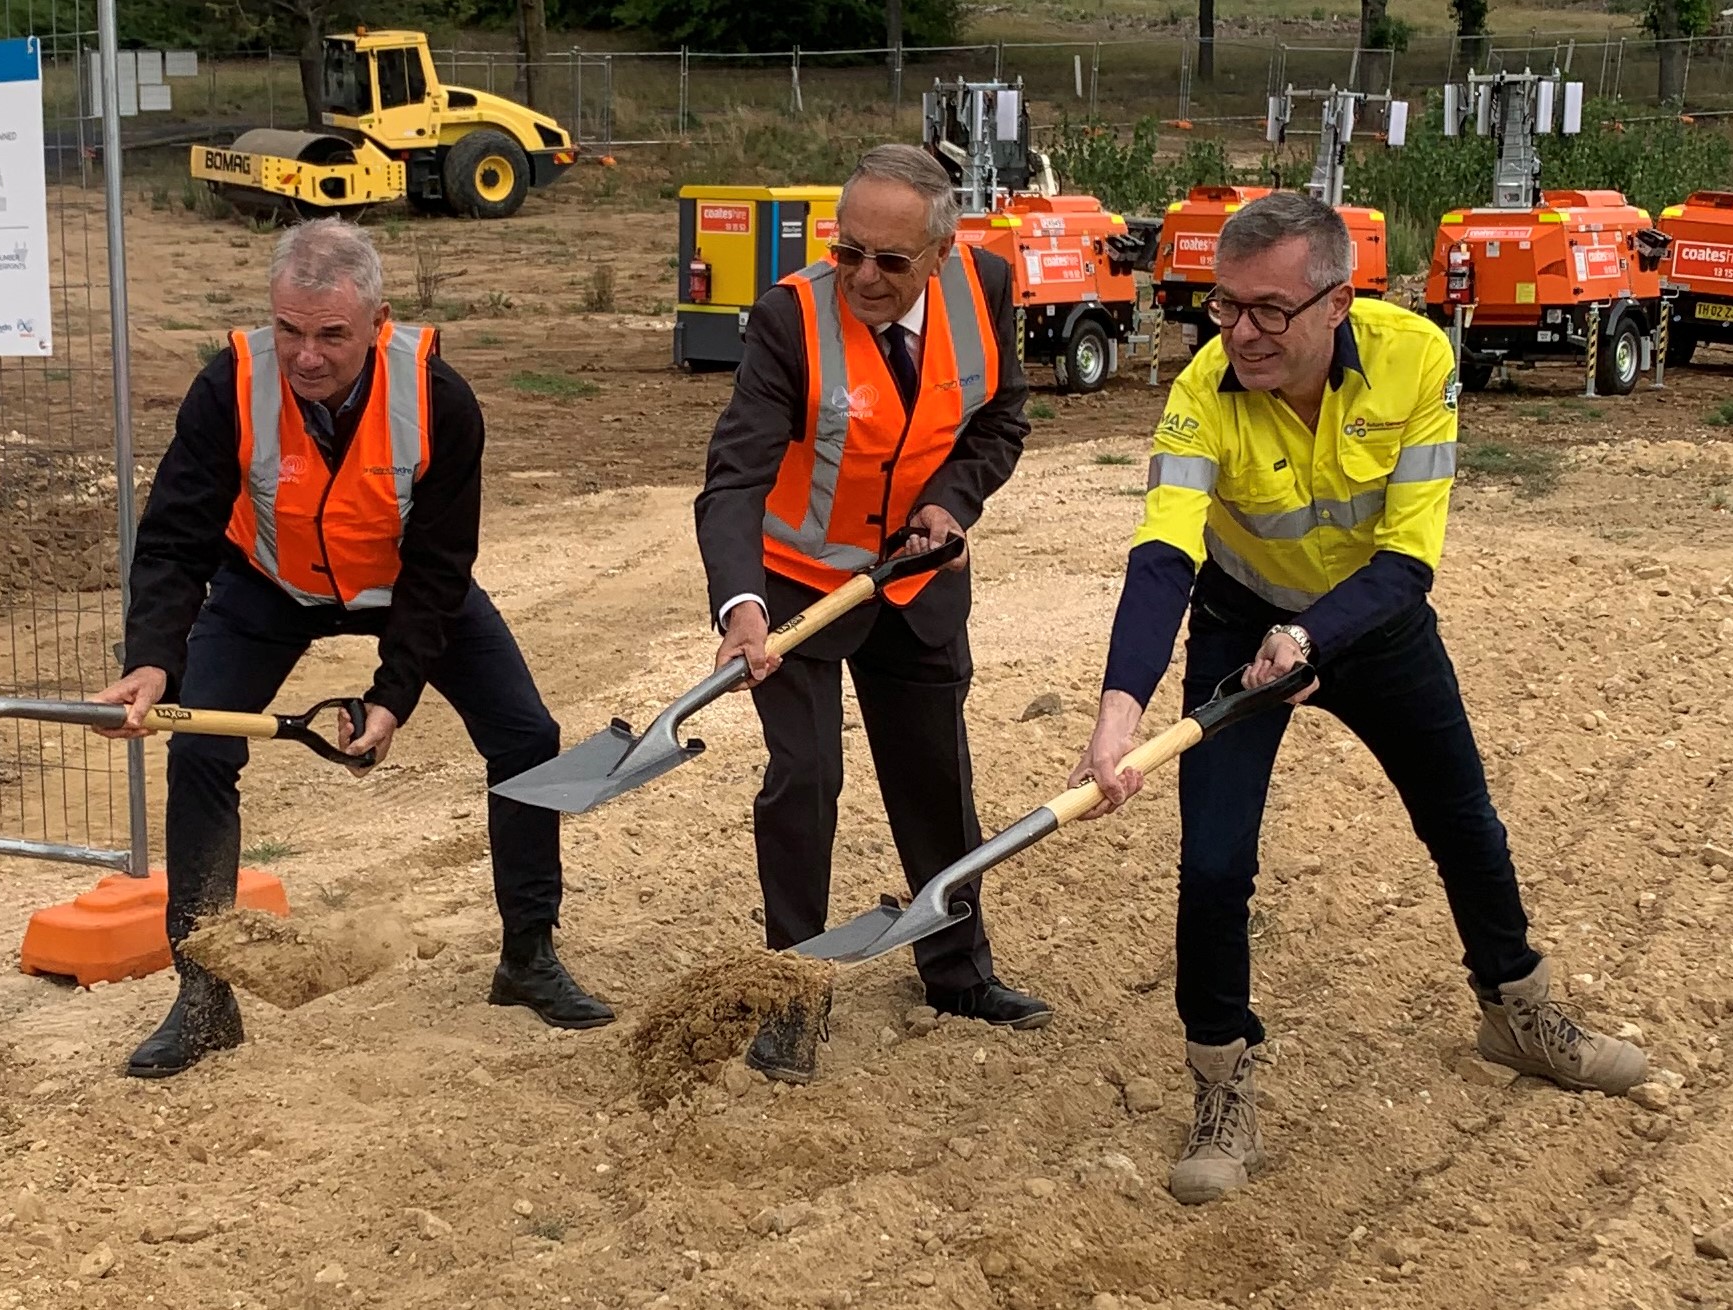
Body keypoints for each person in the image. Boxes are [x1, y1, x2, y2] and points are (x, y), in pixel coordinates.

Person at [1068, 190, 1648, 1204]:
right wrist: (1119, 708)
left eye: (1266, 309)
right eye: (1223, 305)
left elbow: (1407, 555)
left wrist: (1312, 635)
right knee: (1210, 863)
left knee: (1462, 820)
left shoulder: (1416, 358)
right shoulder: (1203, 388)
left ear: (1336, 301)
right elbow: (1161, 551)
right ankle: (1218, 1076)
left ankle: (1515, 1012)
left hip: (1372, 621)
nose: (1239, 330)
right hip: (1241, 619)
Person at [89, 217, 612, 1079]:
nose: (305, 356)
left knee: (526, 736)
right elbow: (177, 536)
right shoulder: (230, 386)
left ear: (379, 321)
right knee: (201, 749)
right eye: (288, 330)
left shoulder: (441, 400)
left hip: (406, 586)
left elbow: (443, 566)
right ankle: (204, 995)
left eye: (331, 334)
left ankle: (528, 957)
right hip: (270, 585)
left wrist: (392, 693)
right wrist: (152, 656)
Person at [693, 143, 1053, 1085]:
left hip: (918, 586)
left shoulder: (987, 286)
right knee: (804, 781)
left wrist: (953, 503)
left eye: (890, 261)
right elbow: (733, 478)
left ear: (940, 251)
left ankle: (958, 972)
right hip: (797, 590)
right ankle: (794, 996)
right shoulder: (788, 319)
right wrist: (740, 605)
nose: (862, 276)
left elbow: (1000, 419)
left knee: (936, 778)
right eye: (847, 249)